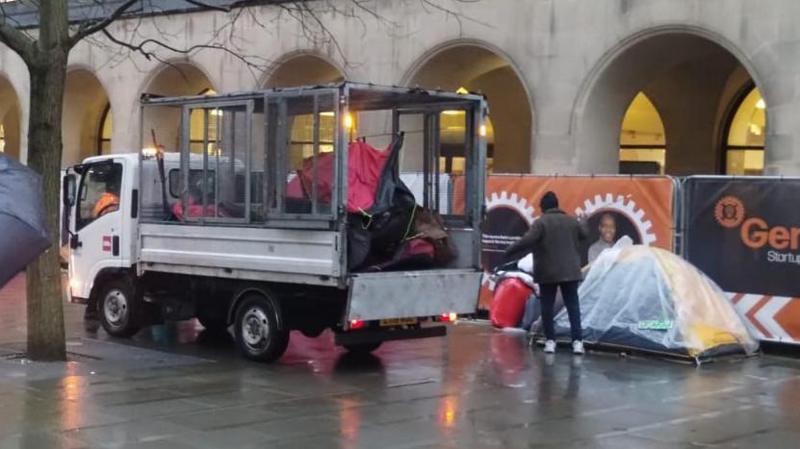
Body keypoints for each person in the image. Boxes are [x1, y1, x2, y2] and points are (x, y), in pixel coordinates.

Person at [503, 191, 587, 355]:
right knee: (573, 307)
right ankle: (577, 342)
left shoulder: (541, 223)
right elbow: (584, 234)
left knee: (547, 307)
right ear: (557, 204)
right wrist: (584, 222)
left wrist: (509, 251)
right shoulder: (572, 222)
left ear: (543, 208)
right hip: (570, 272)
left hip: (548, 272)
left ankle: (550, 342)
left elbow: (527, 240)